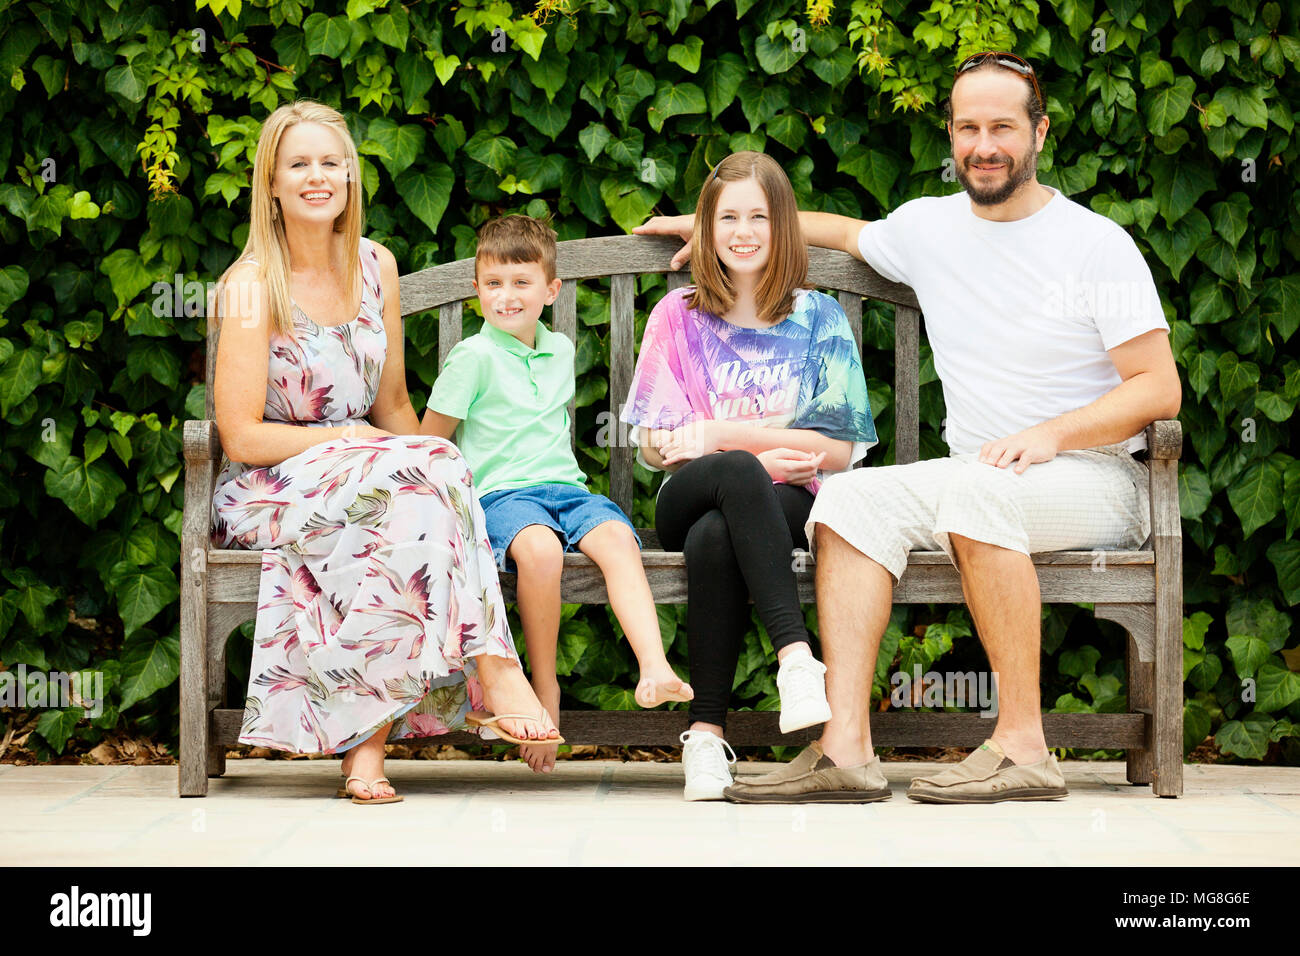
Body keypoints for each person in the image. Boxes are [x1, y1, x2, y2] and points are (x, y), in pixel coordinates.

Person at [637, 53, 1180, 804]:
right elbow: (842, 230)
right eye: (967, 127)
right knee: (849, 503)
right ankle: (846, 751)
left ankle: (1025, 745)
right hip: (978, 476)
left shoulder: (1096, 245)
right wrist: (705, 225)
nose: (983, 144)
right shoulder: (930, 227)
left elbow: (1159, 386)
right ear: (951, 136)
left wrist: (1054, 433)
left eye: (1002, 127)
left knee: (979, 494)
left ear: (1039, 132)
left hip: (1093, 475)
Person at [211, 100, 560, 805]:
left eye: (330, 163)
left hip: (368, 472)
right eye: (299, 164)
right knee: (413, 479)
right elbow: (240, 435)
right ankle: (491, 664)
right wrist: (347, 440)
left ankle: (366, 750)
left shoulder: (376, 265)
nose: (318, 177)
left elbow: (395, 408)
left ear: (350, 177)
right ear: (271, 183)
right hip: (272, 483)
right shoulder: (250, 285)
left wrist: (445, 479)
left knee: (420, 486)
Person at [622, 151, 877, 801]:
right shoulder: (677, 316)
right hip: (687, 493)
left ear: (782, 225)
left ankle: (704, 736)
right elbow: (657, 447)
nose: (742, 230)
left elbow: (840, 451)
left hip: (789, 499)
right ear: (705, 228)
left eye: (758, 216)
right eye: (728, 216)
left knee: (719, 532)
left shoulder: (818, 317)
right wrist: (747, 458)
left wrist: (720, 437)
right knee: (732, 478)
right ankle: (795, 657)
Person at [420, 215, 693, 774]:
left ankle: (653, 666)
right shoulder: (472, 358)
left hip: (566, 488)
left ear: (551, 290)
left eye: (522, 282)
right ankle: (545, 690)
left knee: (618, 538)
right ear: (476, 290)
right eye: (493, 283)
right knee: (540, 551)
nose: (507, 295)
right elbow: (429, 444)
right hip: (502, 496)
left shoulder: (561, 349)